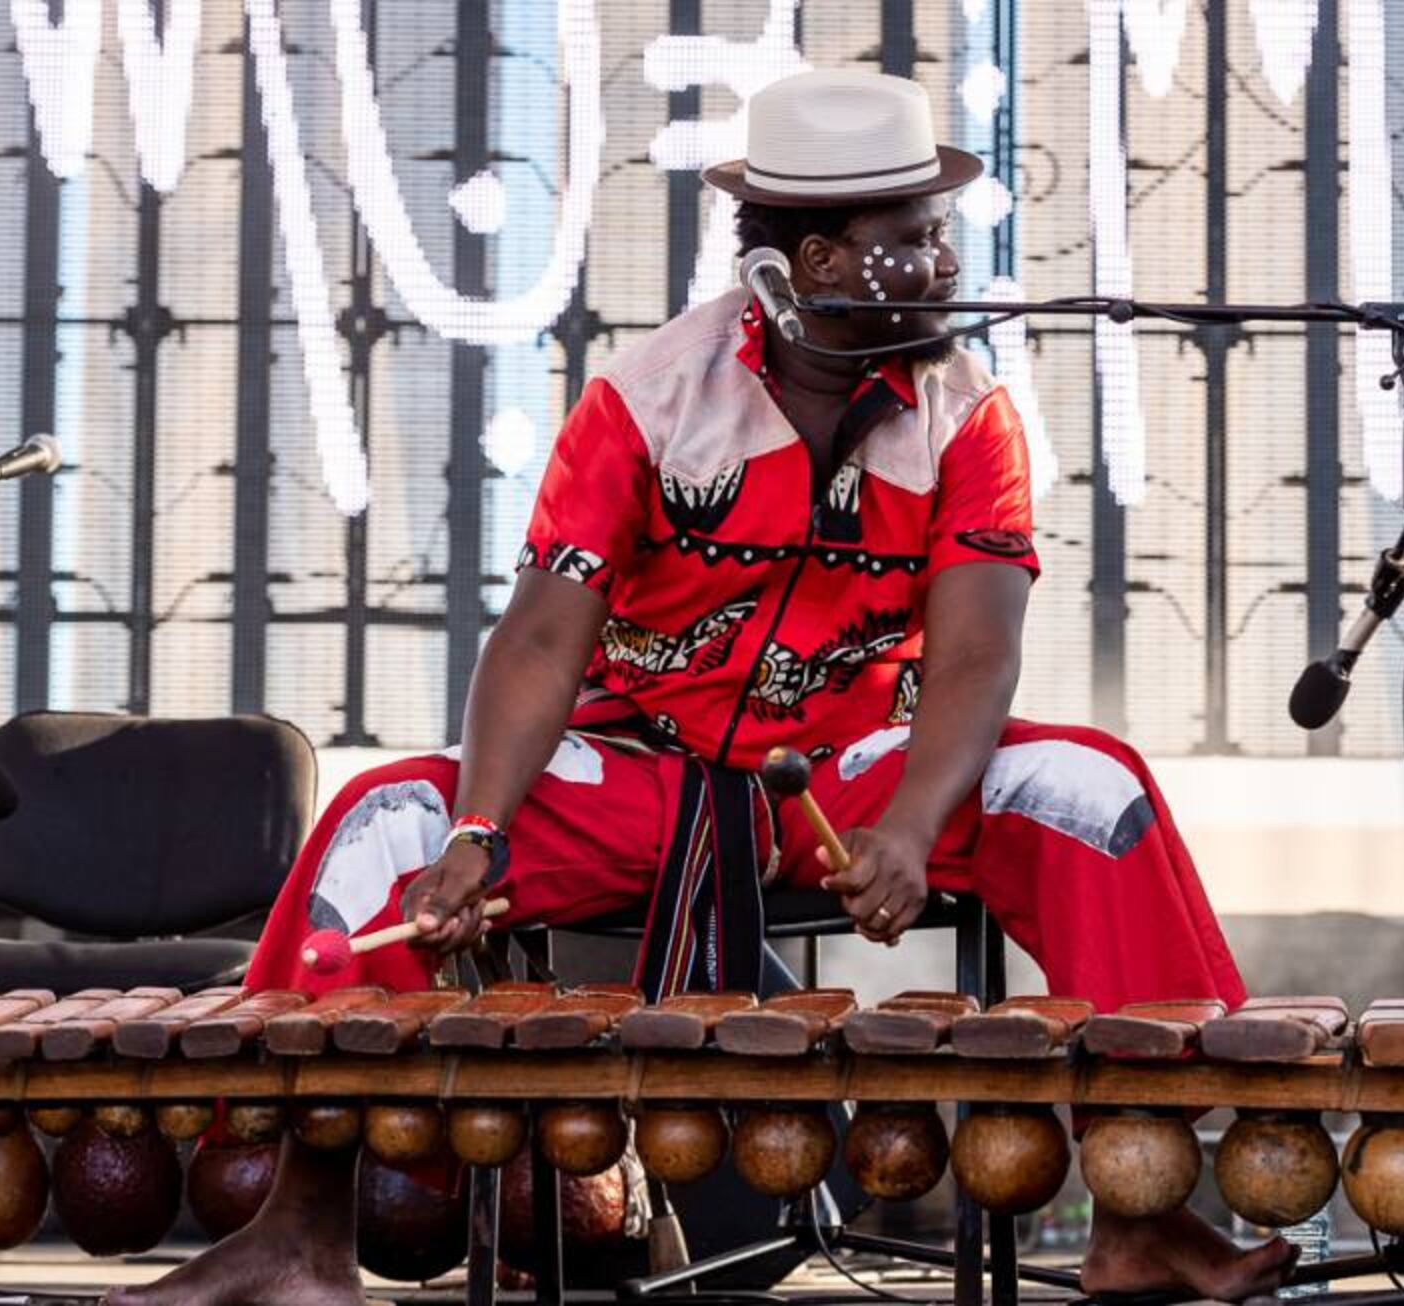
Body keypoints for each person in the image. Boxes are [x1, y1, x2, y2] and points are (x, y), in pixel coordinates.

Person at [108, 68, 1291, 1305]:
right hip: (646, 779)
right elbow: (538, 641)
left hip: (851, 776)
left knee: (1089, 790)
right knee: (384, 821)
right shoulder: (646, 400)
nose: (945, 263)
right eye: (911, 240)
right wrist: (478, 830)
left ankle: (1142, 1218)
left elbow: (979, 652)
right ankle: (301, 1238)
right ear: (813, 266)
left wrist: (905, 822)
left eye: (937, 233)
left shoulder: (968, 414)